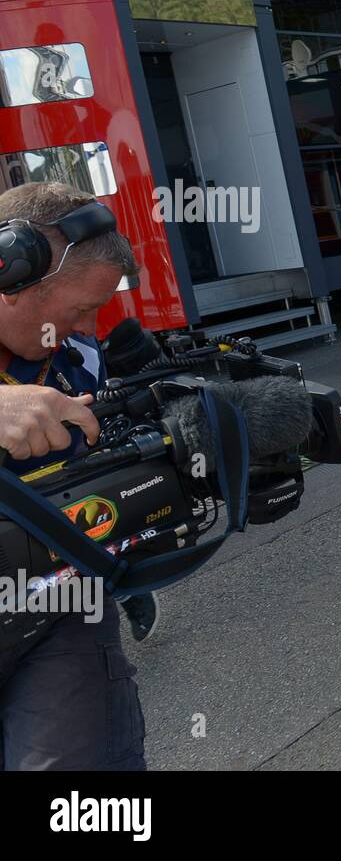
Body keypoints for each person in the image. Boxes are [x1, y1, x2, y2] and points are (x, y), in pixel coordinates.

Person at [0, 181, 149, 768]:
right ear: (11, 277)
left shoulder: (80, 358)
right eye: (81, 308)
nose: (88, 326)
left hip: (64, 607)